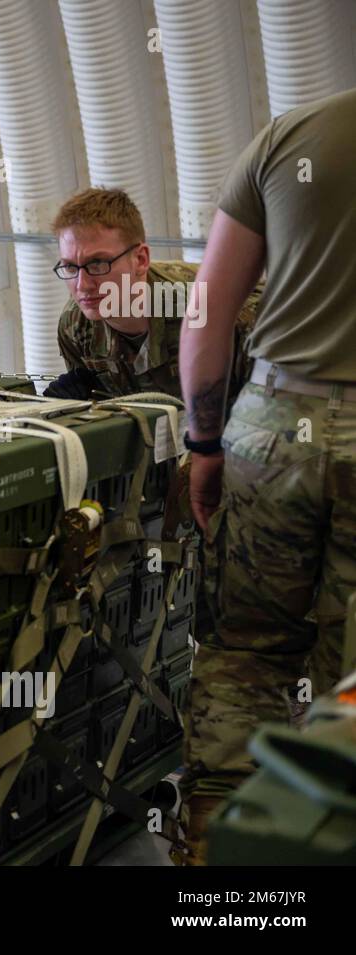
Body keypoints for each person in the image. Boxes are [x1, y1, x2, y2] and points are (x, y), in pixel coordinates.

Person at [177, 88, 356, 865]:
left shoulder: (295, 135)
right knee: (347, 676)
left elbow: (208, 313)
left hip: (273, 424)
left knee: (244, 650)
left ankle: (221, 869)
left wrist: (205, 441)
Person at [46, 188, 258, 400]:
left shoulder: (213, 311)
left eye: (98, 263)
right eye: (71, 268)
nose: (82, 285)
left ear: (140, 260)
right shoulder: (76, 326)